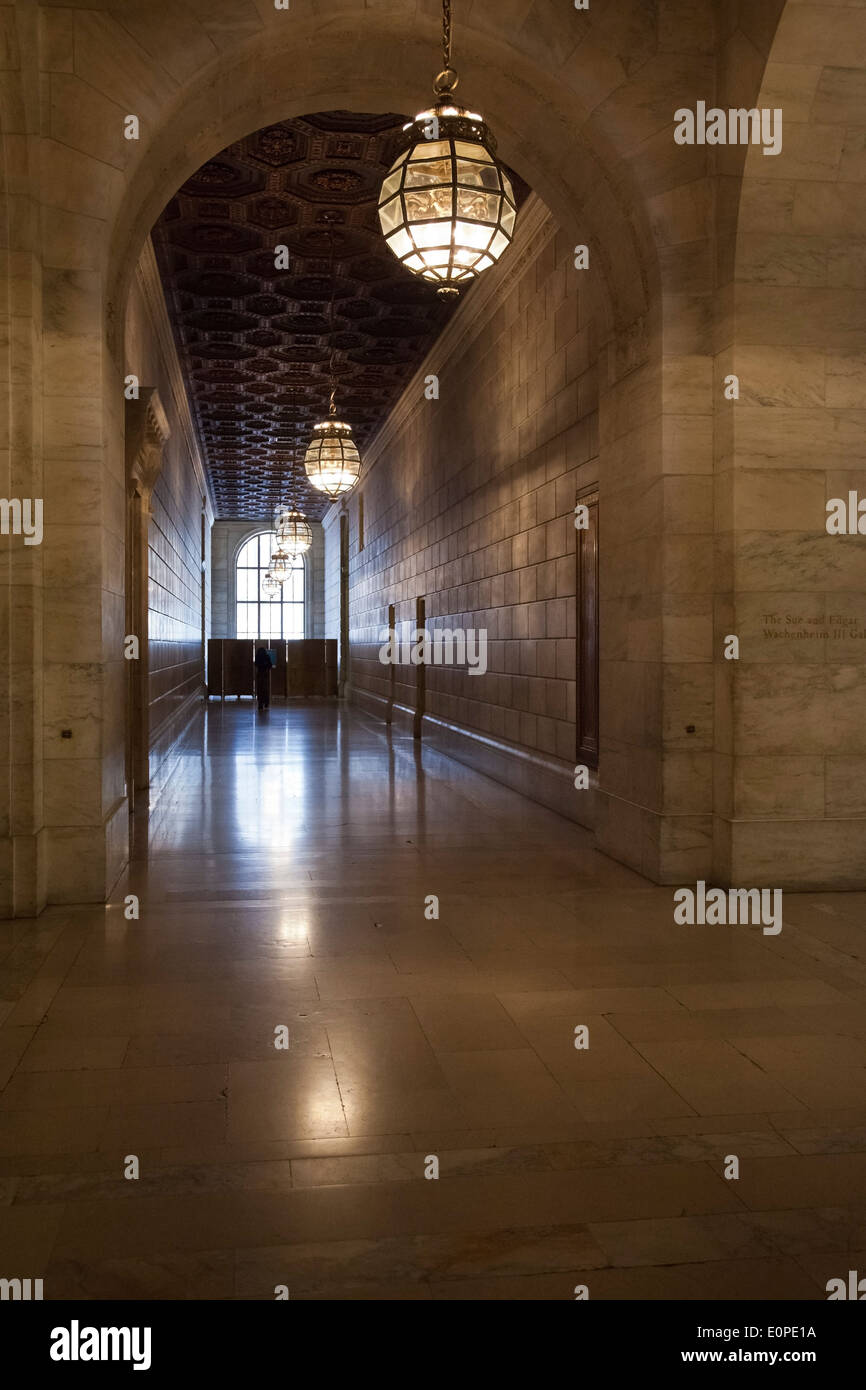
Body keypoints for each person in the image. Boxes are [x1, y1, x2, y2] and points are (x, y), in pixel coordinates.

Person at [254, 643, 272, 711]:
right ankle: (266, 703)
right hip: (265, 674)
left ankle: (260, 704)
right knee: (265, 689)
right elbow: (270, 665)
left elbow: (256, 665)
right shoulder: (267, 656)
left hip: (260, 674)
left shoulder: (257, 656)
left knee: (260, 689)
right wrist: (266, 666)